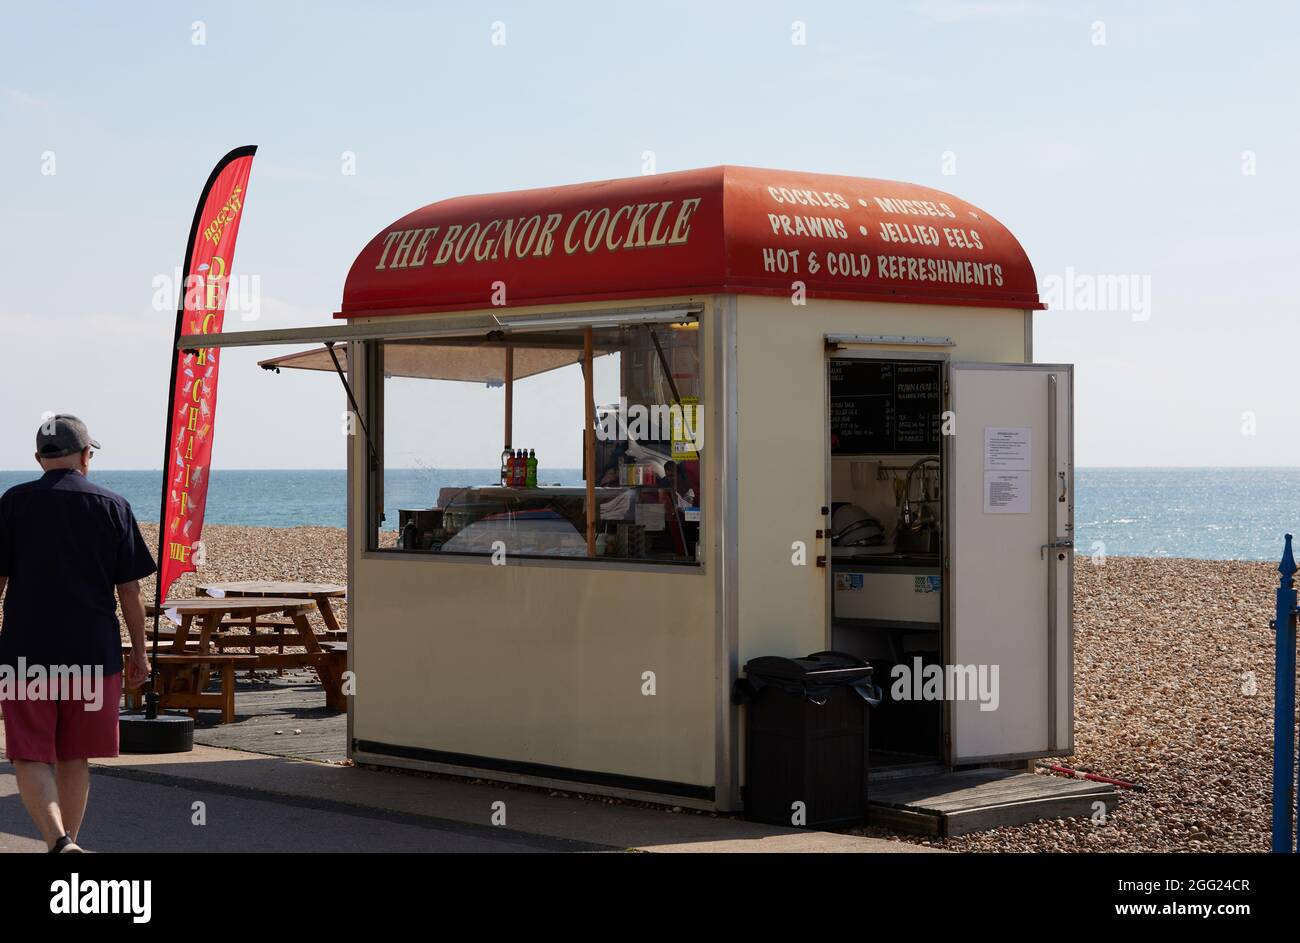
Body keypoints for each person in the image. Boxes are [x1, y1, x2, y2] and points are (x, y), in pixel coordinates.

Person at [0, 415, 156, 852]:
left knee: (29, 753)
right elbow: (130, 590)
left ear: (38, 459)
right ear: (87, 456)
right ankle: (68, 844)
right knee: (74, 755)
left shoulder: (12, 503)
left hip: (25, 651)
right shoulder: (112, 505)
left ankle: (58, 842)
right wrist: (140, 653)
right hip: (92, 650)